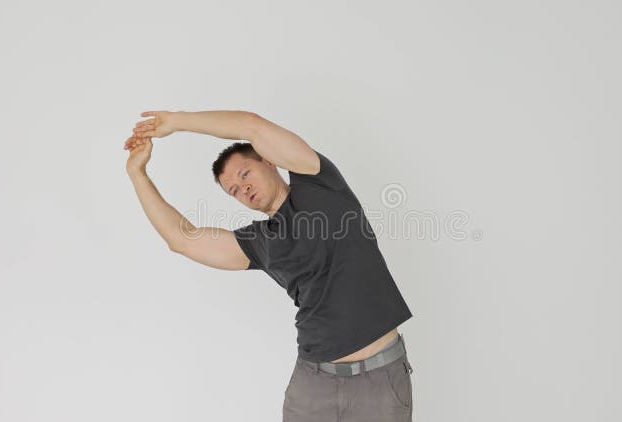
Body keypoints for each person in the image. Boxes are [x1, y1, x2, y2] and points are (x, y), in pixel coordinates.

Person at [124, 110, 415, 421]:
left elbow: (251, 125)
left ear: (268, 160)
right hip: (313, 385)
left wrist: (177, 122)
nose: (243, 189)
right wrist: (137, 175)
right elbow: (183, 241)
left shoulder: (318, 181)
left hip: (380, 380)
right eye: (233, 190)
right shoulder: (260, 242)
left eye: (245, 174)